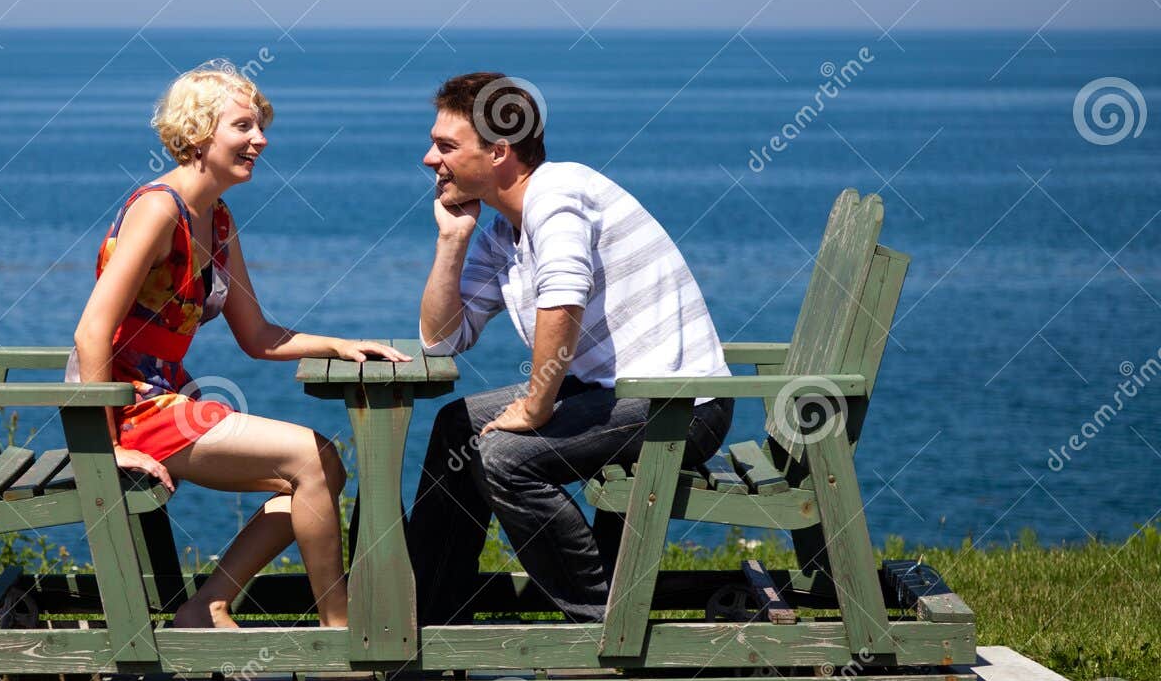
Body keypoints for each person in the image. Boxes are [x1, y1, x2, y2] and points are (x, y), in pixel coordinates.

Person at [68, 60, 407, 629]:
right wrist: (108, 447)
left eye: (260, 127)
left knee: (325, 471)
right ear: (199, 133)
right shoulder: (157, 211)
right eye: (244, 127)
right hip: (126, 410)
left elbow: (258, 336)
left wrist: (341, 345)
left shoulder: (217, 220)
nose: (261, 139)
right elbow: (91, 331)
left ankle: (208, 606)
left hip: (161, 396)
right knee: (312, 459)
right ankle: (341, 631)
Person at [406, 73, 735, 624]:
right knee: (456, 427)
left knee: (504, 459)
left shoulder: (556, 196)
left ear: (499, 151)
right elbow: (441, 340)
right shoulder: (502, 232)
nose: (427, 158)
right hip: (618, 395)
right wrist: (451, 239)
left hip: (680, 406)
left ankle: (600, 622)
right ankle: (430, 615)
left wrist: (537, 404)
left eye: (446, 146)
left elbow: (563, 295)